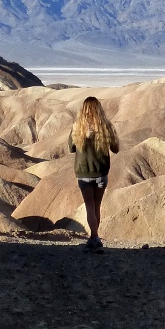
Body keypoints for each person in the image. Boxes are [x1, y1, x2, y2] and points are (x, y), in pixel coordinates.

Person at [69, 96, 120, 252]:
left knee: (90, 206)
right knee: (97, 206)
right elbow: (116, 148)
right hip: (101, 172)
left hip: (84, 172)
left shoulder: (77, 127)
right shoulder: (106, 126)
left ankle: (94, 238)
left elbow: (71, 148)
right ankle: (94, 238)